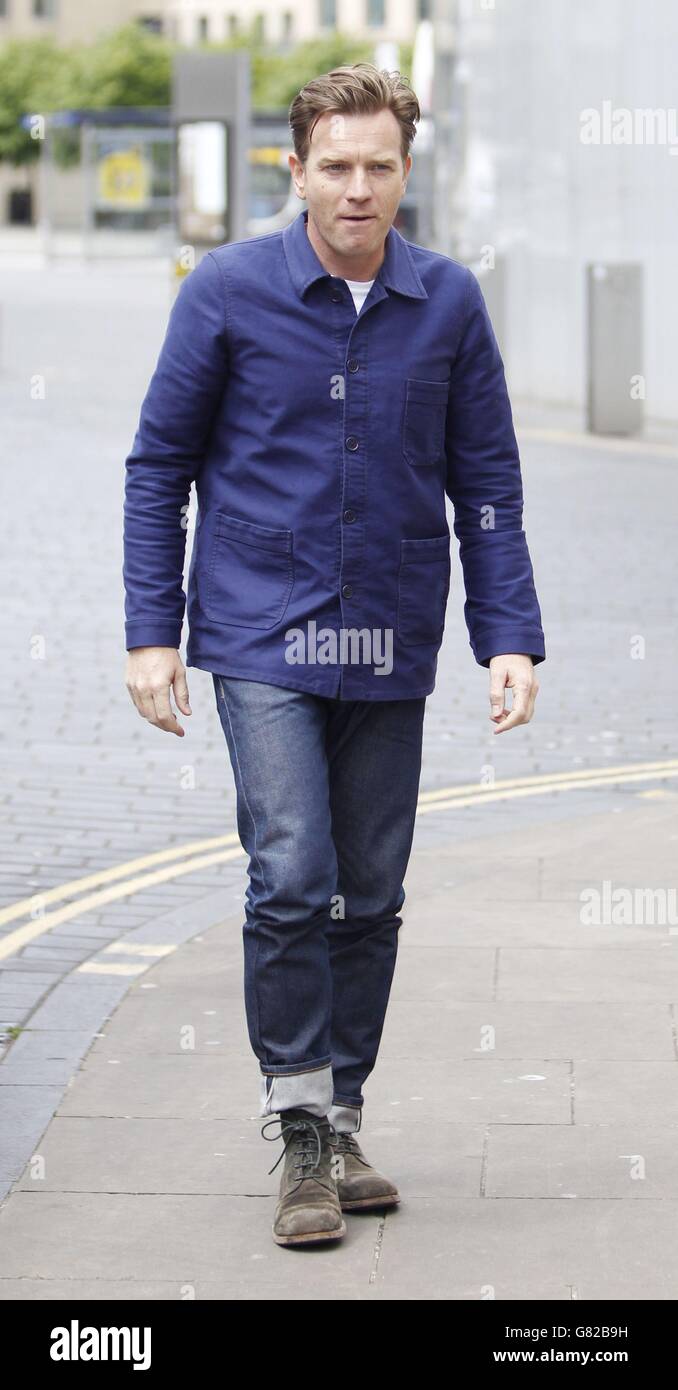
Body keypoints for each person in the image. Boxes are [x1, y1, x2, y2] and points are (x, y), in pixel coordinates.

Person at [123, 63, 545, 1247]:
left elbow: (490, 488)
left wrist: (508, 636)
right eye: (336, 166)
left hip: (392, 633)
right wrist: (152, 632)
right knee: (296, 867)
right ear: (295, 167)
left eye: (379, 167)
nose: (357, 189)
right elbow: (159, 468)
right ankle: (300, 1132)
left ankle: (343, 1111)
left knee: (374, 888)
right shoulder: (226, 291)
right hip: (261, 628)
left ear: (405, 171)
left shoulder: (449, 301)